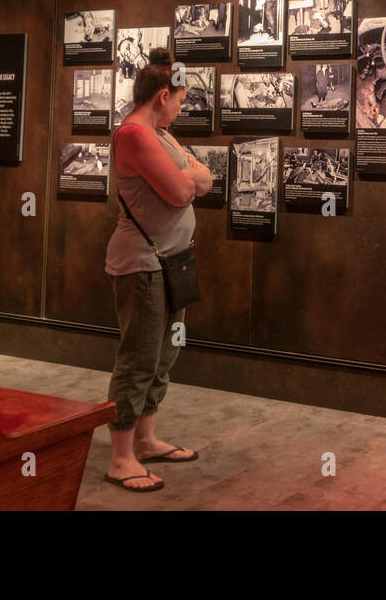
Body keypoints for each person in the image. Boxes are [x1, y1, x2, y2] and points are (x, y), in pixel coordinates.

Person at [104, 48, 212, 492]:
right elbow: (180, 191)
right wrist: (188, 178)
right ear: (162, 95)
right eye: (181, 101)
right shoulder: (134, 135)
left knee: (164, 356)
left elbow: (203, 177)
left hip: (172, 262)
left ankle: (145, 440)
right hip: (142, 265)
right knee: (138, 360)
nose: (181, 109)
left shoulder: (161, 134)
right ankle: (121, 457)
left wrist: (190, 176)